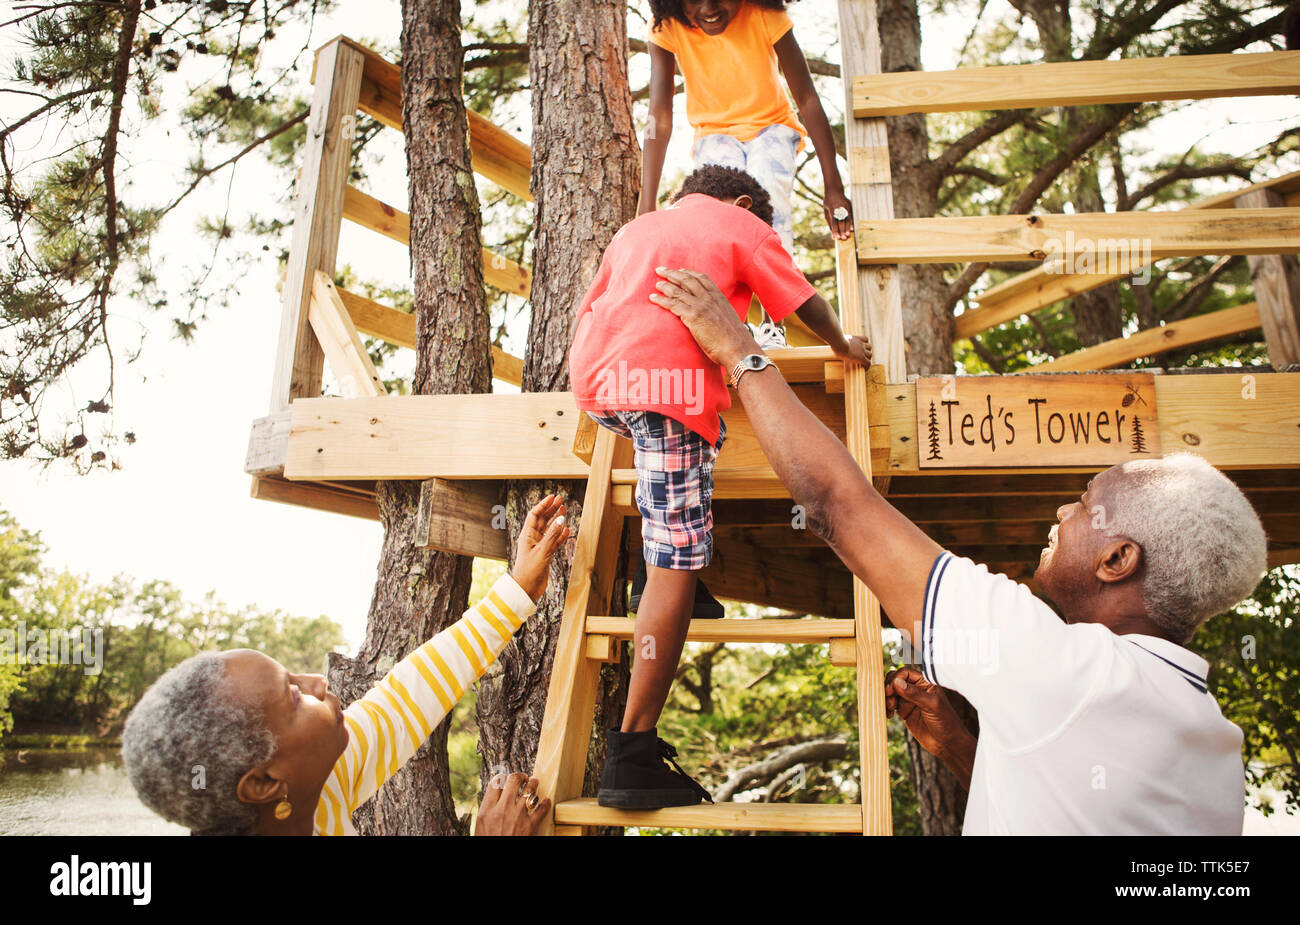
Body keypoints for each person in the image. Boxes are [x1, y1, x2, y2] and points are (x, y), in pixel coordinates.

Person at [649, 266, 1268, 834]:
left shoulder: (1066, 670)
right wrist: (962, 751)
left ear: (1117, 560)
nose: (1062, 512)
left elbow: (836, 506)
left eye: (1084, 503)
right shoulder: (1210, 737)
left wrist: (738, 351)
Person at [568, 165, 871, 809]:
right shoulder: (741, 221)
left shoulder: (637, 228)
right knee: (672, 553)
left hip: (600, 387)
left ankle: (688, 588)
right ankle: (632, 754)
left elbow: (590, 305)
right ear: (741, 203)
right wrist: (845, 344)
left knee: (693, 457)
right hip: (666, 390)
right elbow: (800, 301)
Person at [121, 495, 571, 836]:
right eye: (294, 696)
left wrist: (517, 590)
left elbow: (405, 697)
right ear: (262, 783)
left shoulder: (305, 792)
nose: (317, 682)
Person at [638, 0, 852, 348]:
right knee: (715, 222)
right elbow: (659, 117)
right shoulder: (668, 26)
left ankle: (774, 325)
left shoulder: (765, 12)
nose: (708, 8)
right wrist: (645, 206)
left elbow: (806, 98)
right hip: (713, 135)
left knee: (767, 201)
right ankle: (721, 327)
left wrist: (833, 185)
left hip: (771, 127)